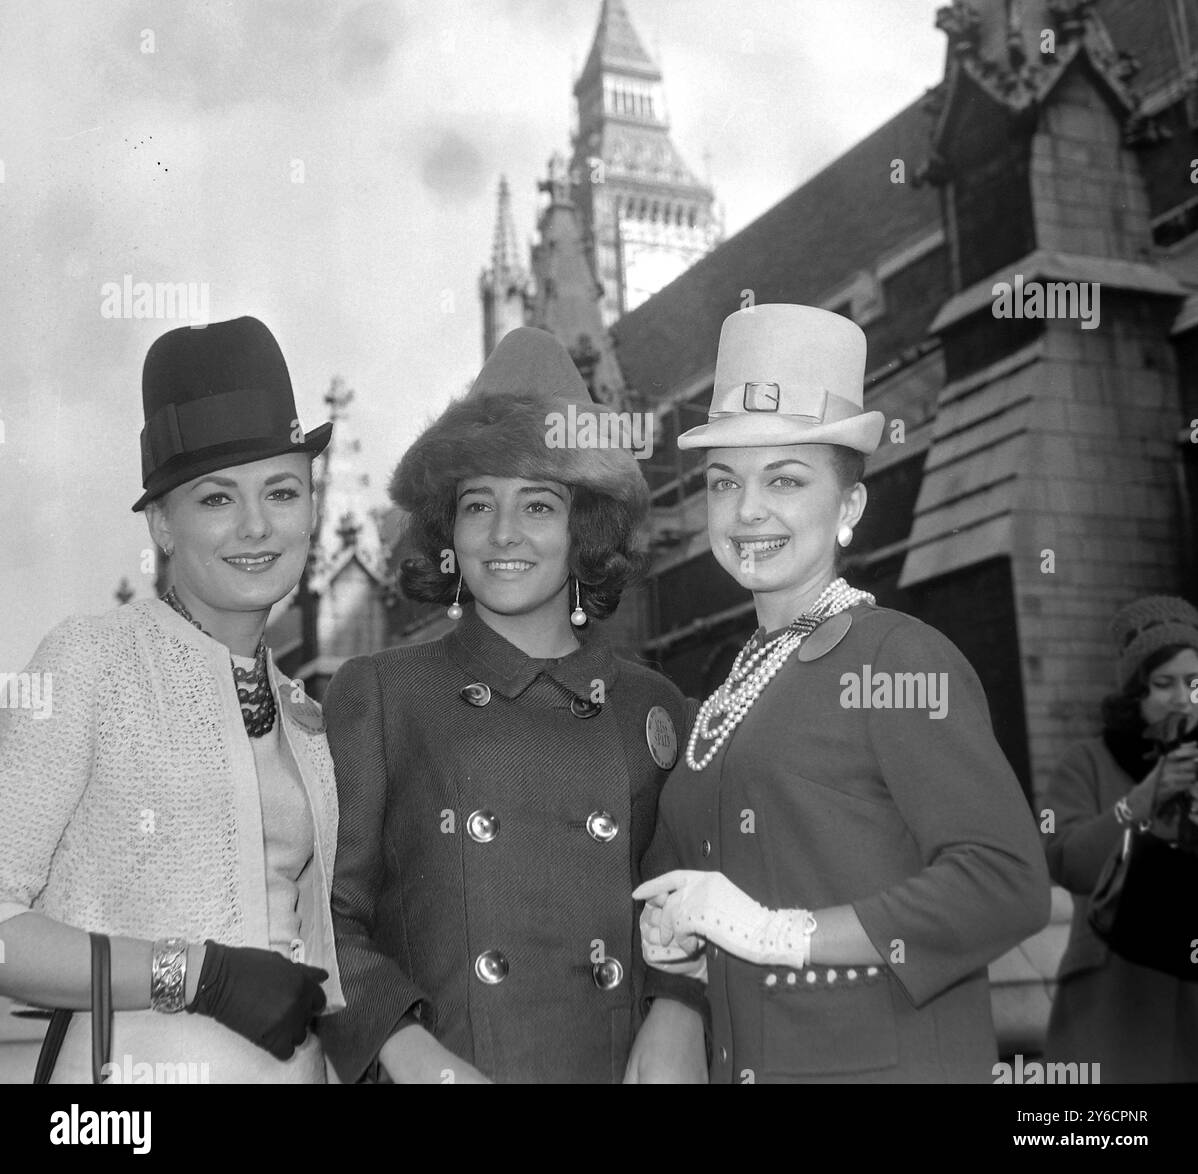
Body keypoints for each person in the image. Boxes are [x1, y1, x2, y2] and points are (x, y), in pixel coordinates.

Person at [634, 303, 1051, 1084]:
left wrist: (783, 934)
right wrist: (685, 943)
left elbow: (1008, 882)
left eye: (785, 480)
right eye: (726, 483)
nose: (748, 510)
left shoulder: (894, 655)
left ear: (850, 507)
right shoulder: (733, 682)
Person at [318, 327, 706, 1084]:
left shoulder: (651, 709)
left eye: (538, 505)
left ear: (584, 527)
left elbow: (683, 904)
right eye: (477, 505)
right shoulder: (381, 694)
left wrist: (680, 1010)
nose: (503, 535)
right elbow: (323, 918)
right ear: (447, 531)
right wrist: (414, 1053)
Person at [0, 316, 343, 1083]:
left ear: (313, 509)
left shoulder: (303, 714)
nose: (257, 525)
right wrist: (194, 974)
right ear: (162, 523)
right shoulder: (88, 661)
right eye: (218, 499)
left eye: (282, 492)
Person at [1043, 595, 1198, 1082]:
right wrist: (1141, 800)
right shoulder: (1085, 761)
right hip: (1111, 999)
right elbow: (1067, 863)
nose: (1182, 698)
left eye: (1194, 683)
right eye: (1164, 684)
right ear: (1135, 692)